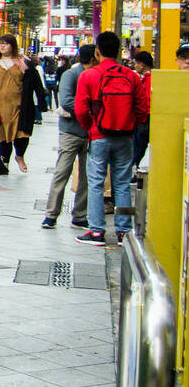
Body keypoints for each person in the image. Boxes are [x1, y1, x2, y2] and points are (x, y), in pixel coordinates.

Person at [75, 31, 150, 246]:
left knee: (96, 183)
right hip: (125, 137)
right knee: (123, 184)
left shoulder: (88, 76)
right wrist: (130, 126)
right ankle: (123, 232)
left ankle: (96, 231)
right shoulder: (131, 76)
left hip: (99, 136)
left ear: (97, 52)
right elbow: (143, 108)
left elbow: (81, 110)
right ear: (118, 51)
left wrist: (91, 127)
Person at [41, 44, 96, 230]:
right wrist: (91, 113)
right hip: (71, 132)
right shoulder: (71, 75)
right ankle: (51, 214)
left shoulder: (96, 75)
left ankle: (80, 215)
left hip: (90, 133)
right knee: (62, 172)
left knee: (87, 176)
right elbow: (66, 101)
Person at [0, 35, 48, 172]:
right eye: (0, 43)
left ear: (13, 45)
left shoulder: (23, 63)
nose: (2, 46)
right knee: (4, 135)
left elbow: (37, 83)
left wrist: (42, 103)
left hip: (21, 105)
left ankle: (20, 156)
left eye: (6, 44)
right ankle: (5, 161)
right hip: (1, 106)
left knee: (22, 133)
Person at [131, 50, 154, 169]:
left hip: (145, 119)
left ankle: (133, 170)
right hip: (145, 118)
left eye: (136, 63)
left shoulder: (149, 79)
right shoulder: (147, 78)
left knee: (138, 146)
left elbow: (146, 100)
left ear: (142, 64)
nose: (135, 66)